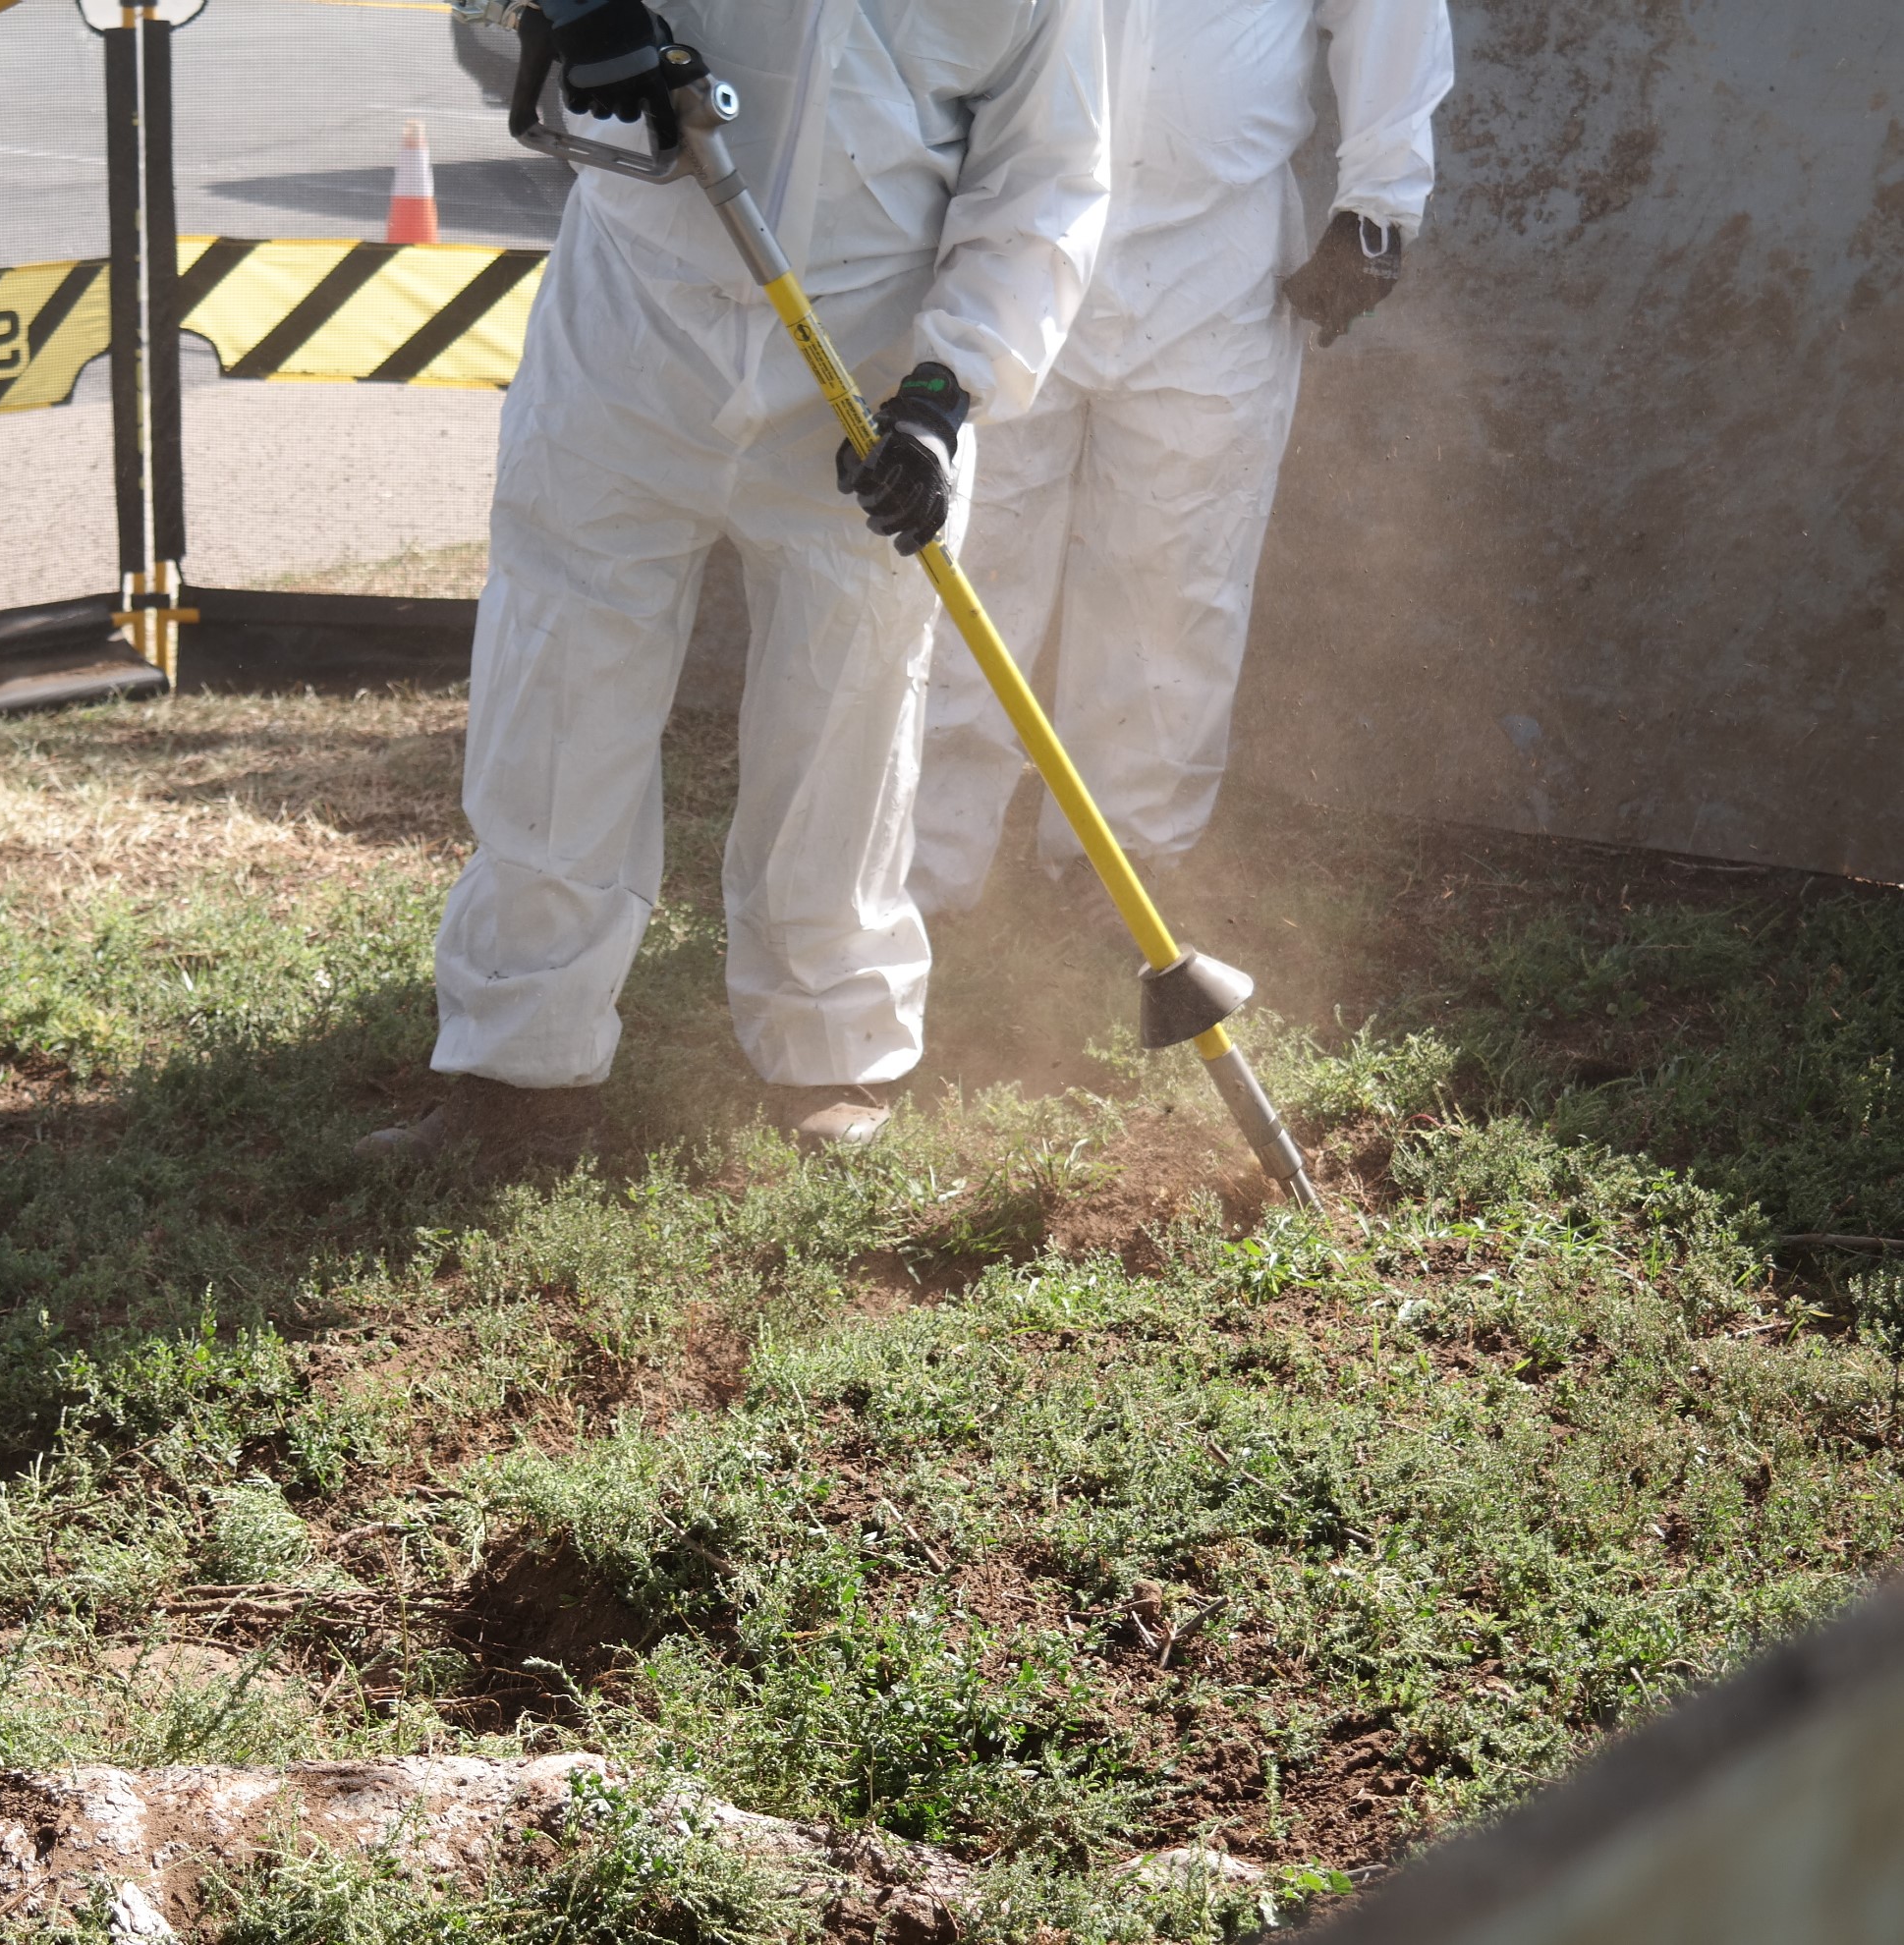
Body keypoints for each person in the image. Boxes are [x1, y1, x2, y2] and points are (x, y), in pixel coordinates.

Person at [359, 0, 1118, 1163]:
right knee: (560, 684)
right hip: (631, 331)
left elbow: (1043, 183)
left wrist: (943, 394)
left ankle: (828, 1052)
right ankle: (520, 1069)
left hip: (863, 367)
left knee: (847, 708)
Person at [910, 0, 1454, 918]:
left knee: (1176, 575)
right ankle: (913, 871)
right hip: (1016, 229)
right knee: (968, 551)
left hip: (1217, 252)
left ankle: (1116, 870)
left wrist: (1378, 206)